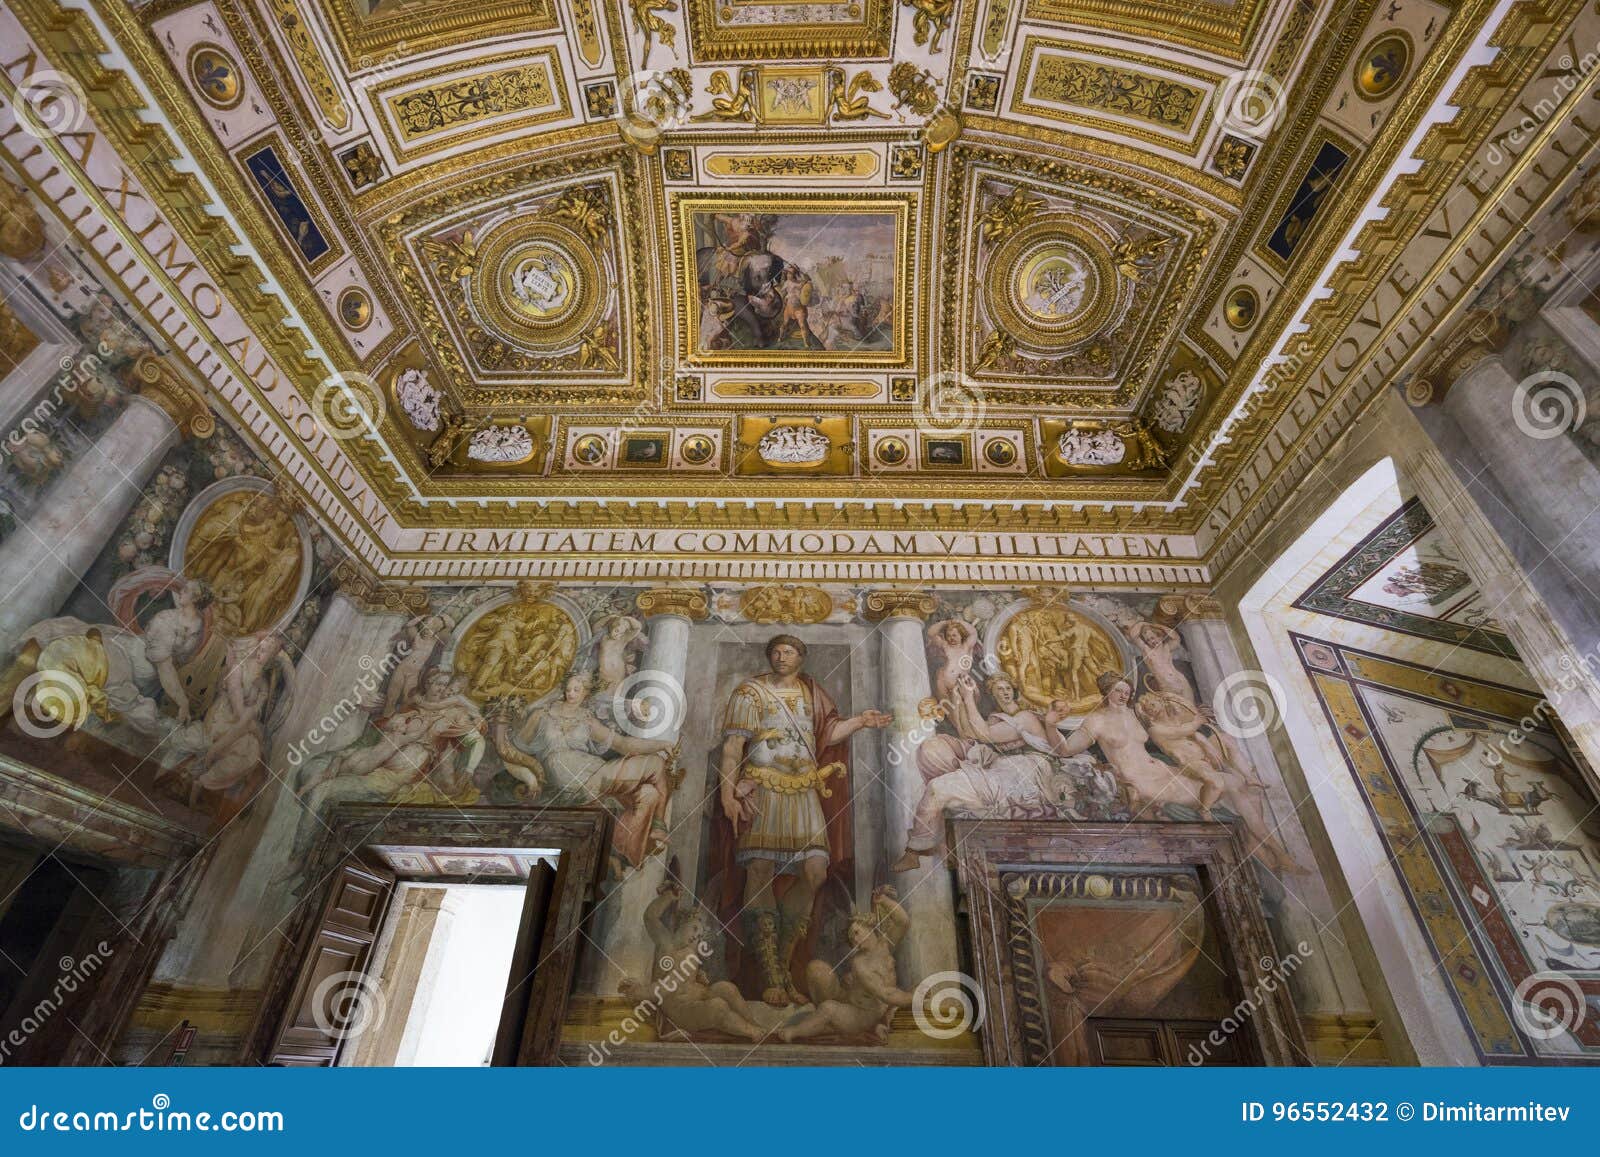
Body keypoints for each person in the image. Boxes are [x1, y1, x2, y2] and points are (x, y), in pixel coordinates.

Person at [713, 634, 890, 1005]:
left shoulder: (812, 693)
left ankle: (785, 959)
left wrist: (860, 721)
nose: (781, 656)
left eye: (789, 651)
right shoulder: (751, 693)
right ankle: (771, 974)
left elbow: (827, 736)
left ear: (801, 657)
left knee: (814, 872)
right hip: (763, 789)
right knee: (759, 869)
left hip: (804, 790)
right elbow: (732, 749)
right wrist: (728, 793)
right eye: (775, 651)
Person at [518, 671, 677, 870]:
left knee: (649, 793)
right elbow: (513, 752)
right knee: (655, 764)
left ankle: (644, 837)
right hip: (572, 783)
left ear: (586, 692)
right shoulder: (542, 714)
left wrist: (660, 744)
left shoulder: (587, 720)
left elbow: (624, 745)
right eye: (568, 689)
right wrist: (529, 777)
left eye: (577, 689)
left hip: (595, 774)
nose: (571, 694)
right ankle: (657, 827)